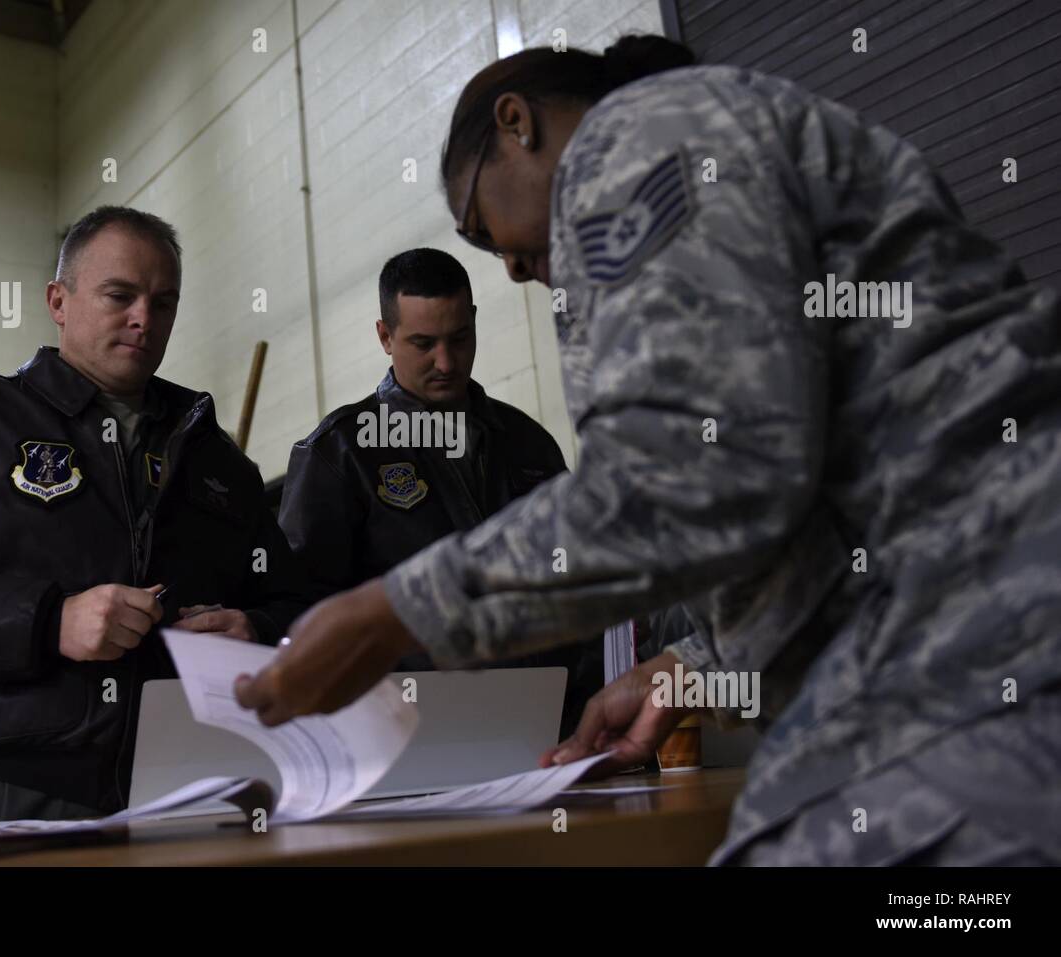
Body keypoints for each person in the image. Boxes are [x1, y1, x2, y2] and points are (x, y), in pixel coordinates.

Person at [232, 36, 1061, 865]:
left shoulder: (637, 133)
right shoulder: (343, 447)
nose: (513, 265)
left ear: (516, 125)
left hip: (977, 636)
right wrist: (693, 665)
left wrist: (395, 612)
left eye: (486, 227)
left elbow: (695, 477)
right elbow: (788, 471)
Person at [0, 206, 310, 825]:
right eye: (119, 295)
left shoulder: (218, 462)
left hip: (194, 787)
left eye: (164, 303)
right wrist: (47, 620)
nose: (143, 319)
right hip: (11, 792)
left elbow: (299, 604)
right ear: (59, 300)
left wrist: (259, 628)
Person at [278, 248, 602, 732]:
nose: (446, 362)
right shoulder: (340, 454)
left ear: (473, 320)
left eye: (460, 338)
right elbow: (299, 611)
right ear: (385, 336)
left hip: (544, 727)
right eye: (423, 343)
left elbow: (578, 590)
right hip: (410, 739)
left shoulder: (528, 445)